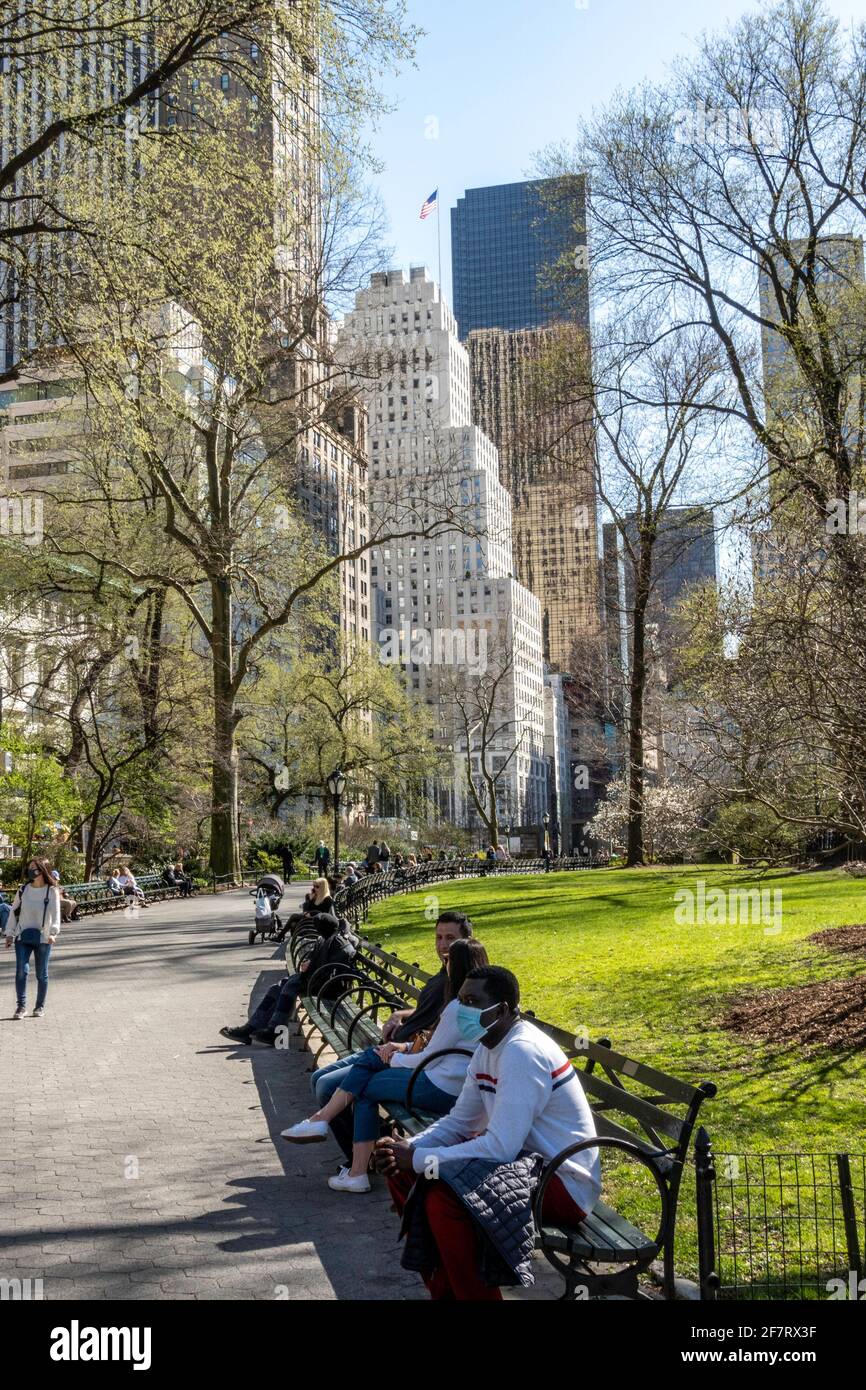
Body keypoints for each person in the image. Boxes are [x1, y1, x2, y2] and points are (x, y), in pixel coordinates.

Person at [374, 965, 601, 1301]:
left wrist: (420, 1158)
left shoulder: (522, 1052)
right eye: (461, 1000)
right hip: (523, 1167)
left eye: (472, 1001)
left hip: (562, 1182)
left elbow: (502, 1147)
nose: (462, 1010)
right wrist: (407, 1147)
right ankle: (444, 1290)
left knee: (443, 1199)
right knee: (400, 1174)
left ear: (504, 1010)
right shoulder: (486, 1048)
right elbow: (460, 1122)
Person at [282, 938, 491, 1192]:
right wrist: (397, 1050)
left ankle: (342, 1149)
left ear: (458, 966)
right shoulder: (484, 1003)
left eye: (448, 960)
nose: (444, 963)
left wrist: (393, 1057)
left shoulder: (457, 1008)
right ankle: (352, 1164)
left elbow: (427, 1060)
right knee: (370, 1071)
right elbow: (435, 1052)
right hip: (459, 1084)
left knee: (369, 1079)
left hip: (442, 1087)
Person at [309, 910, 474, 1165]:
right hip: (396, 1048)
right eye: (438, 937)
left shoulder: (461, 983)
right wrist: (401, 1013)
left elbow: (444, 1030)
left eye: (450, 938)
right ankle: (368, 1153)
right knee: (318, 1078)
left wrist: (398, 1053)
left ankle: (366, 1157)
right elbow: (428, 1013)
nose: (442, 945)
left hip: (410, 1057)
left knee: (327, 1086)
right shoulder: (445, 975)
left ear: (465, 940)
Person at [220, 913, 357, 1046]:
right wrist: (308, 963)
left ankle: (275, 1031)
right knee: (276, 988)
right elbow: (317, 959)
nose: (316, 930)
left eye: (317, 927)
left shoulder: (337, 942)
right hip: (316, 979)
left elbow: (331, 969)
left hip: (327, 987)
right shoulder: (325, 939)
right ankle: (250, 1028)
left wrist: (310, 968)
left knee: (290, 987)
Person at [5, 856, 62, 1019]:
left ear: (42, 871)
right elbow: (13, 912)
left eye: (33, 868)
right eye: (29, 867)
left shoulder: (51, 891)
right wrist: (9, 933)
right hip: (22, 936)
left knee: (41, 974)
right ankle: (21, 1007)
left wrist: (53, 932)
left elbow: (56, 914)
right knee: (21, 972)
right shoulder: (23, 890)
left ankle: (39, 1006)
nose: (30, 871)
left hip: (43, 938)